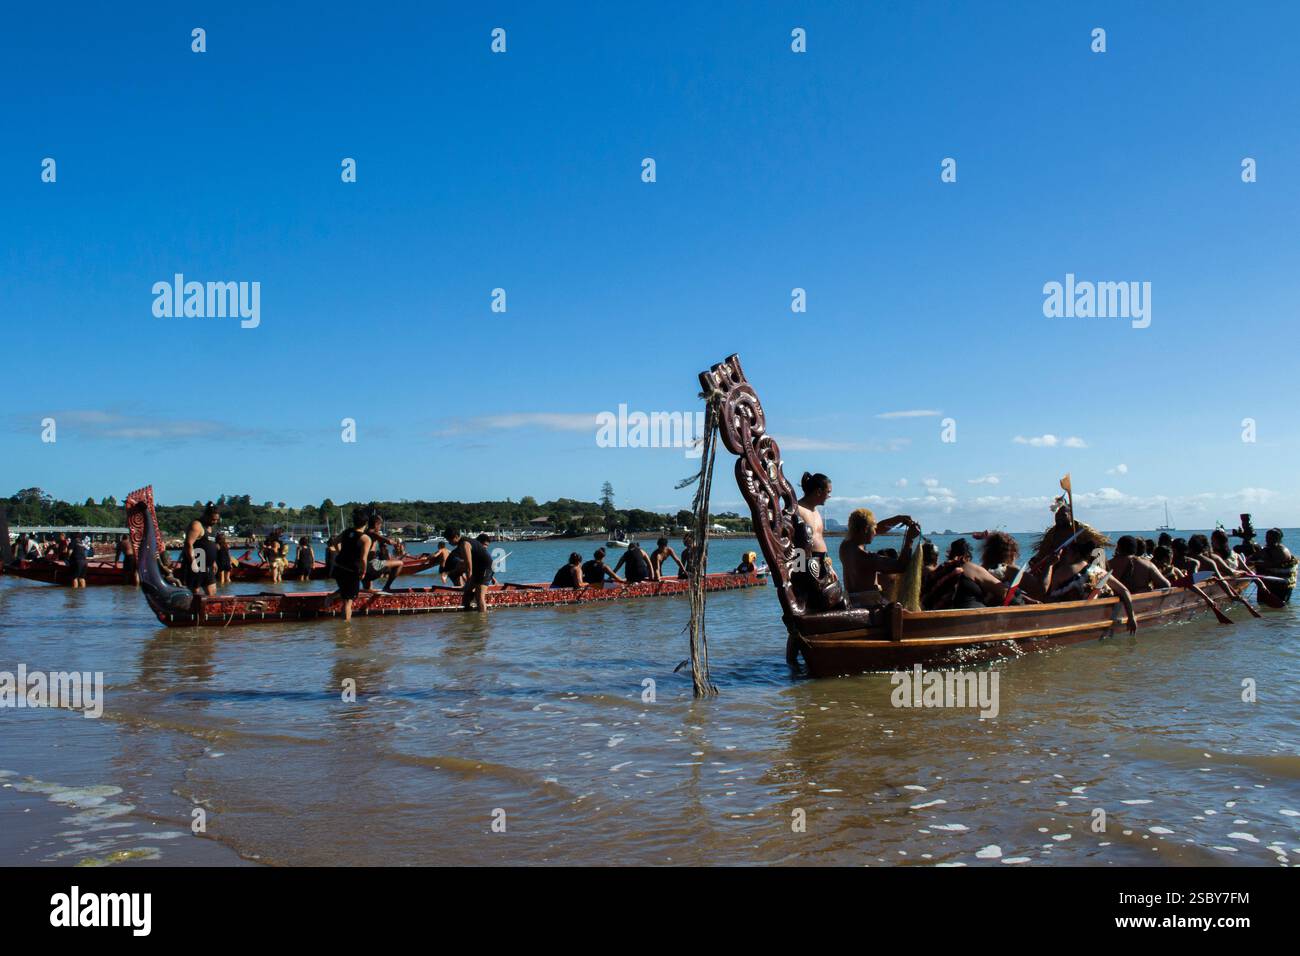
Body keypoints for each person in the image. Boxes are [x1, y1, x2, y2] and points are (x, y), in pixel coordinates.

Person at [1043, 530, 1138, 633]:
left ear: (1075, 554)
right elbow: (1124, 591)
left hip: (1066, 620)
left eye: (1067, 553)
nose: (1064, 556)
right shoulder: (1099, 571)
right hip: (1094, 618)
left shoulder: (1061, 572)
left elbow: (1049, 597)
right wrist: (1131, 617)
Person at [837, 508, 920, 606]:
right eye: (873, 529)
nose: (875, 532)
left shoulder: (845, 547)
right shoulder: (866, 558)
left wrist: (898, 519)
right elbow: (901, 566)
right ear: (865, 530)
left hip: (852, 602)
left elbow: (878, 528)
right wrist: (909, 539)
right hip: (868, 606)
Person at [331, 508, 371, 621]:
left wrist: (340, 553)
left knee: (345, 594)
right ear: (366, 523)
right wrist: (363, 572)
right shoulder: (365, 538)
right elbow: (364, 559)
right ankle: (346, 629)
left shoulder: (347, 532)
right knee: (348, 601)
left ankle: (330, 598)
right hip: (351, 571)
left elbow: (334, 542)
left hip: (339, 568)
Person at [445, 527, 492, 612]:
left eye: (449, 540)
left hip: (485, 567)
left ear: (456, 537)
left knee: (479, 596)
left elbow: (468, 565)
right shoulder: (462, 543)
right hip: (477, 568)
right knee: (467, 591)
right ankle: (467, 615)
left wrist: (469, 579)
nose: (449, 543)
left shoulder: (464, 544)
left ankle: (483, 619)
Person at [182, 503, 221, 597]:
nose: (214, 522)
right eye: (212, 519)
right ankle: (193, 610)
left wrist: (214, 561)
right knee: (195, 593)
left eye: (216, 520)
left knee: (212, 594)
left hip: (208, 566)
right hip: (197, 564)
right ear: (206, 516)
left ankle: (210, 611)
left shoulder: (212, 528)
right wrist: (193, 562)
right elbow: (188, 544)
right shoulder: (197, 525)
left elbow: (210, 545)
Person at [363, 514, 404, 592]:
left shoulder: (364, 533)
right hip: (372, 565)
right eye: (380, 525)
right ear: (376, 524)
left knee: (368, 590)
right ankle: (386, 587)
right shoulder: (372, 533)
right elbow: (388, 541)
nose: (380, 527)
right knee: (400, 563)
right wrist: (396, 544)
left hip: (364, 566)